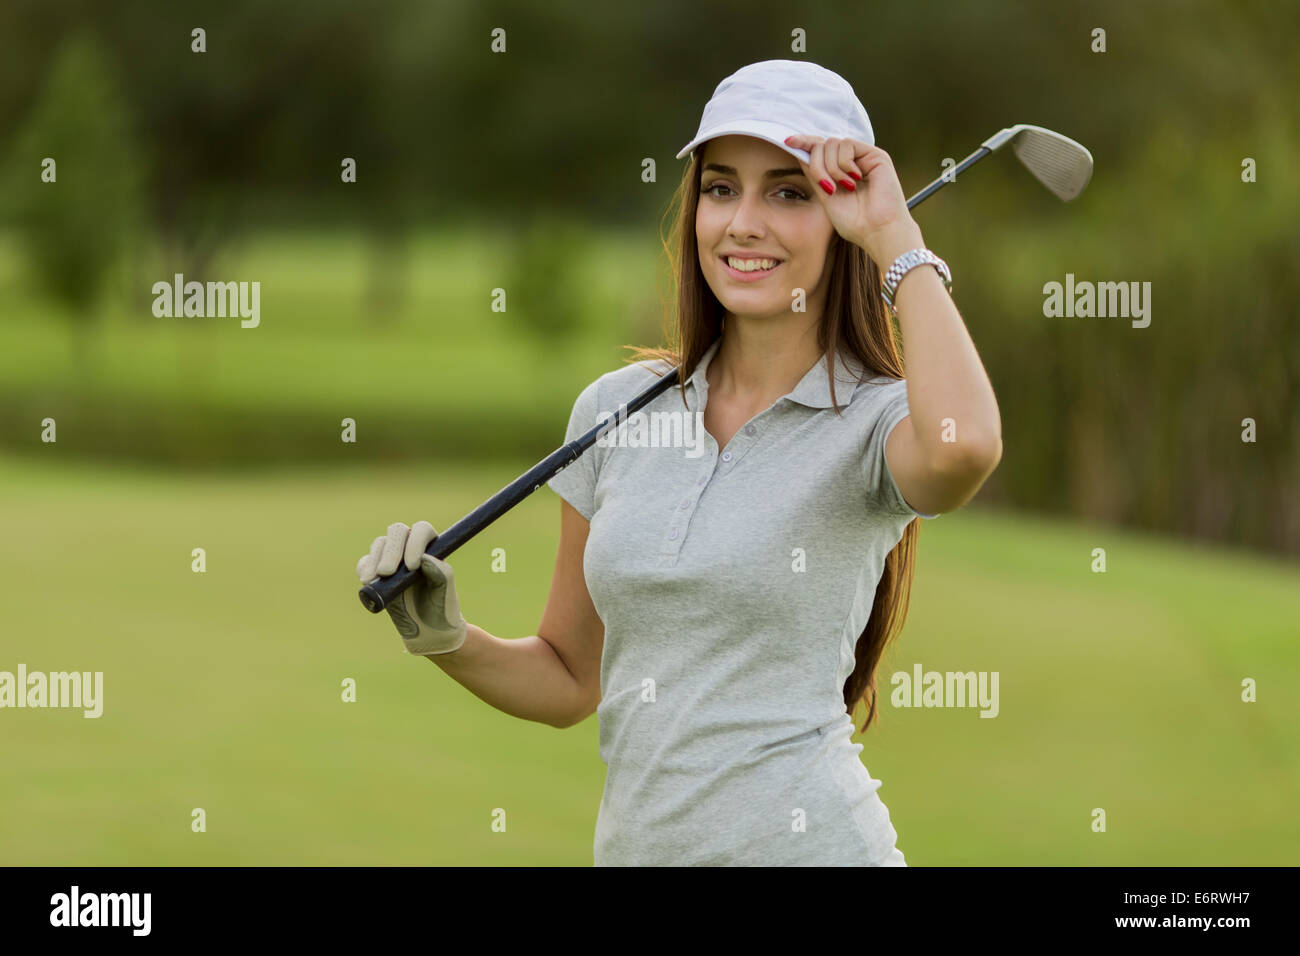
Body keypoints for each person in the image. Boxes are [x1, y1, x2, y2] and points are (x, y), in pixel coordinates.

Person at [355, 59, 1002, 866]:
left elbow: (964, 446)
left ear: (841, 221)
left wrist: (895, 241)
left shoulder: (874, 422)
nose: (743, 223)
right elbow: (569, 678)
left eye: (789, 193)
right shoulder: (615, 409)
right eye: (721, 188)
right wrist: (447, 638)